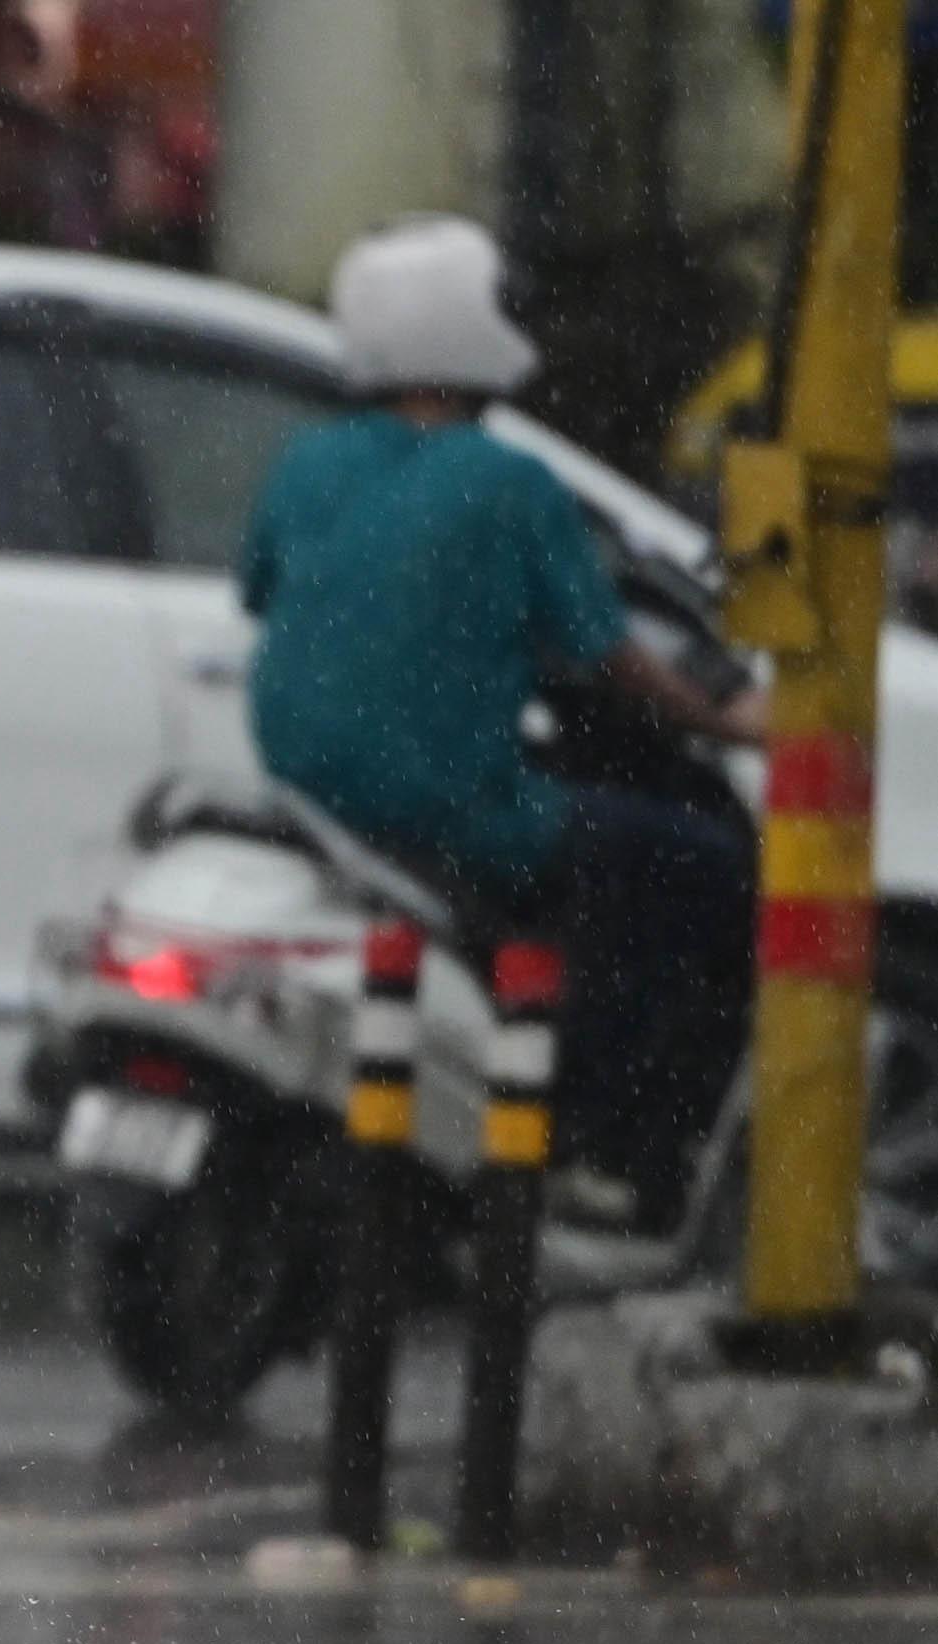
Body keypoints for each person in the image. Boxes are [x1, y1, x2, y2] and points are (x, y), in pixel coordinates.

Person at [240, 214, 766, 1227]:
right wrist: (727, 722)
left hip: (307, 787)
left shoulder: (307, 463)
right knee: (694, 865)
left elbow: (262, 591)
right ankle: (606, 1144)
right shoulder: (510, 482)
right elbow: (609, 653)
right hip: (447, 800)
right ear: (467, 328)